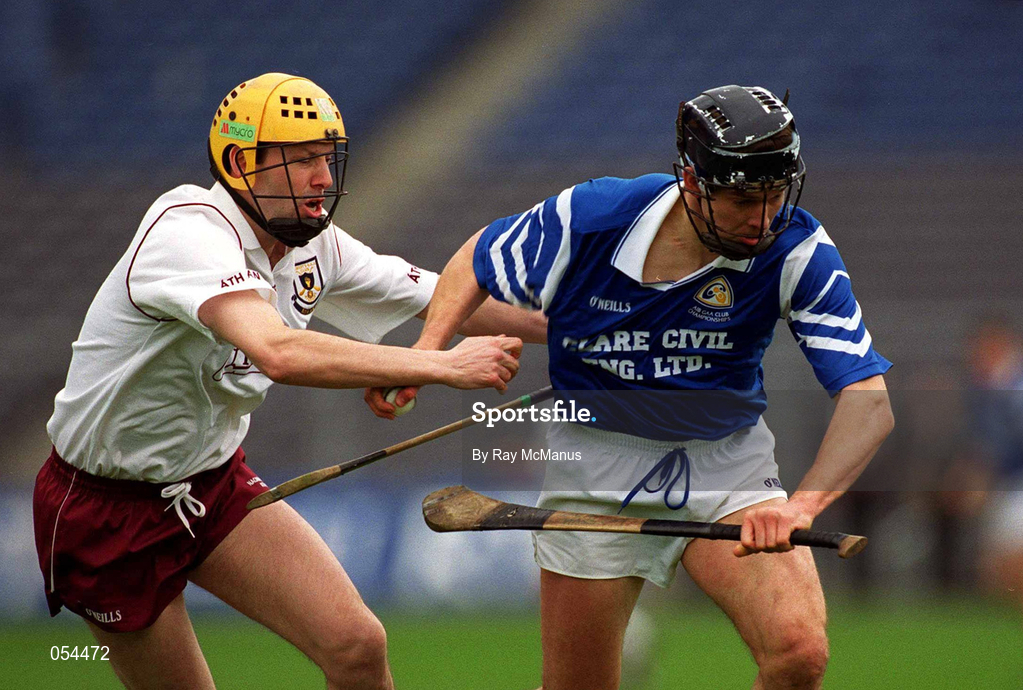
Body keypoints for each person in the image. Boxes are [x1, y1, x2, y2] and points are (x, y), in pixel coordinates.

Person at [33, 72, 545, 690]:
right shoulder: (186, 232)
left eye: (328, 159)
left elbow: (449, 295)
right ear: (240, 162)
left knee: (358, 647)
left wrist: (603, 335)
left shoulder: (314, 245)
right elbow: (277, 350)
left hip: (212, 484)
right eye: (303, 161)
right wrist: (441, 365)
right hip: (106, 509)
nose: (324, 178)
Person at [404, 85, 895, 689]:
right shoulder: (591, 219)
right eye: (743, 198)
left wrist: (802, 506)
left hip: (727, 464)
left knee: (798, 652)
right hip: (595, 467)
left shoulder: (796, 247)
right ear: (691, 182)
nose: (762, 218)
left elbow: (868, 401)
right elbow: (477, 257)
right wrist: (425, 357)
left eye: (774, 195)